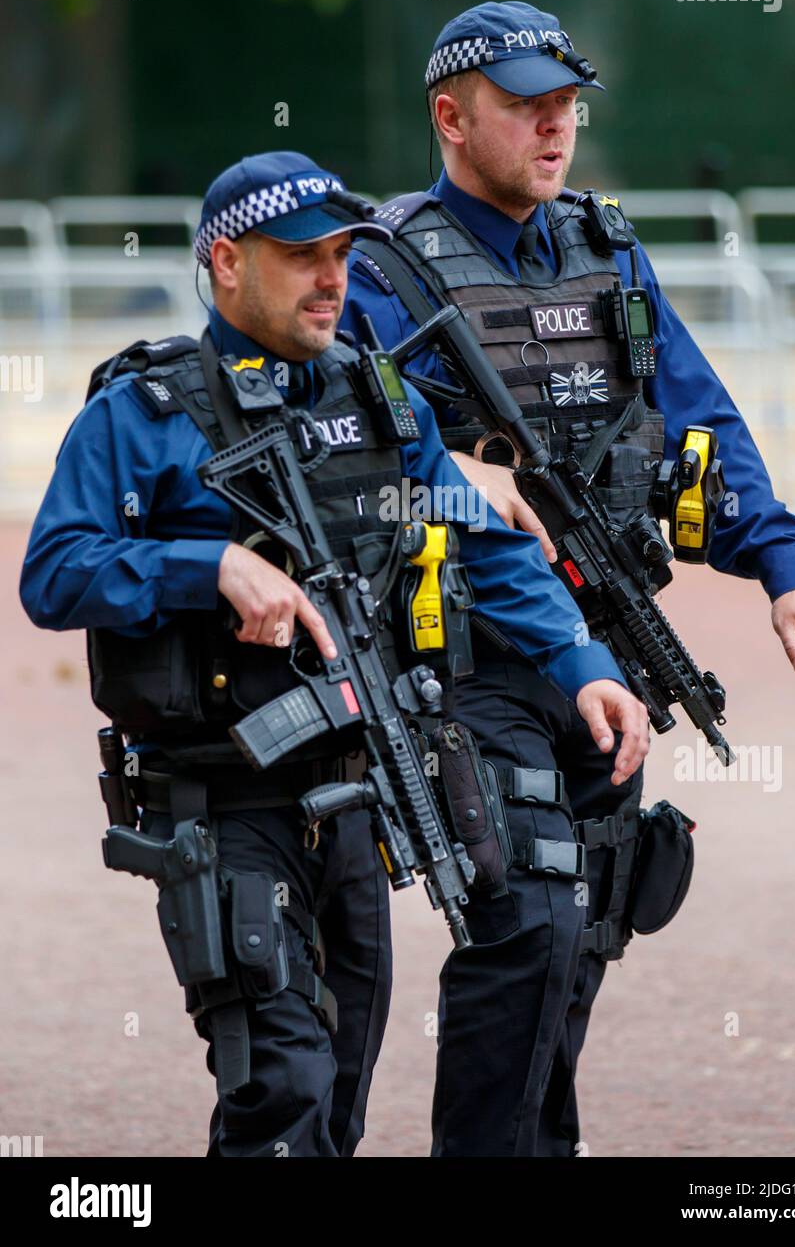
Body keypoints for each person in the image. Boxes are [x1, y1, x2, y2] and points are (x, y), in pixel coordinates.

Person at [19, 149, 649, 1158]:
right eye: (301, 256)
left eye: (341, 255)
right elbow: (53, 573)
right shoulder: (142, 414)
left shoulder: (375, 396)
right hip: (224, 805)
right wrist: (208, 565)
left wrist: (581, 664)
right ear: (227, 263)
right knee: (284, 1088)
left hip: (354, 798)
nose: (331, 279)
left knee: (338, 1091)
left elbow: (474, 537)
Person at [342, 1, 795, 1157]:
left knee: (586, 925)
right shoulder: (381, 266)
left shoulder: (609, 250)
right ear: (449, 118)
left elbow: (696, 420)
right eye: (524, 105)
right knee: (526, 916)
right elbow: (349, 460)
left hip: (609, 648)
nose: (553, 125)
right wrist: (454, 474)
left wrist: (782, 569)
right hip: (466, 662)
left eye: (564, 103)